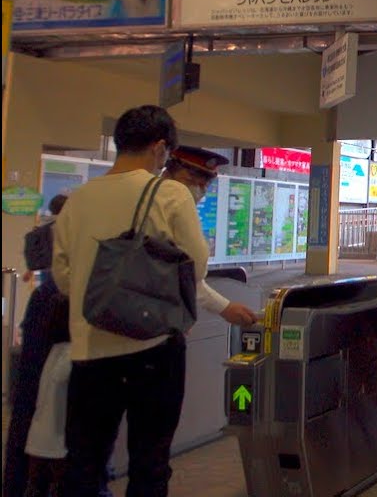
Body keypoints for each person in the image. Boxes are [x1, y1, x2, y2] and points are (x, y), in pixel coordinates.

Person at [51, 105, 239, 496]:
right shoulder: (168, 192)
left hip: (90, 350)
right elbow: (196, 266)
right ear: (160, 149)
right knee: (149, 461)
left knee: (85, 461)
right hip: (153, 347)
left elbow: (63, 276)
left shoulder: (78, 199)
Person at [4, 194, 74, 497]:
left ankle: (21, 484)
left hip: (47, 313)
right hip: (58, 317)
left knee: (31, 406)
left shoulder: (49, 233)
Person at [161, 145, 257, 329]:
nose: (200, 190)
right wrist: (224, 307)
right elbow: (194, 270)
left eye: (204, 184)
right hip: (155, 323)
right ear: (168, 173)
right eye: (190, 180)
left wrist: (225, 308)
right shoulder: (177, 199)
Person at [23, 295, 72, 497]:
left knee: (37, 481)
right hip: (56, 432)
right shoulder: (70, 352)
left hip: (40, 430)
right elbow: (61, 378)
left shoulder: (52, 351)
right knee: (58, 480)